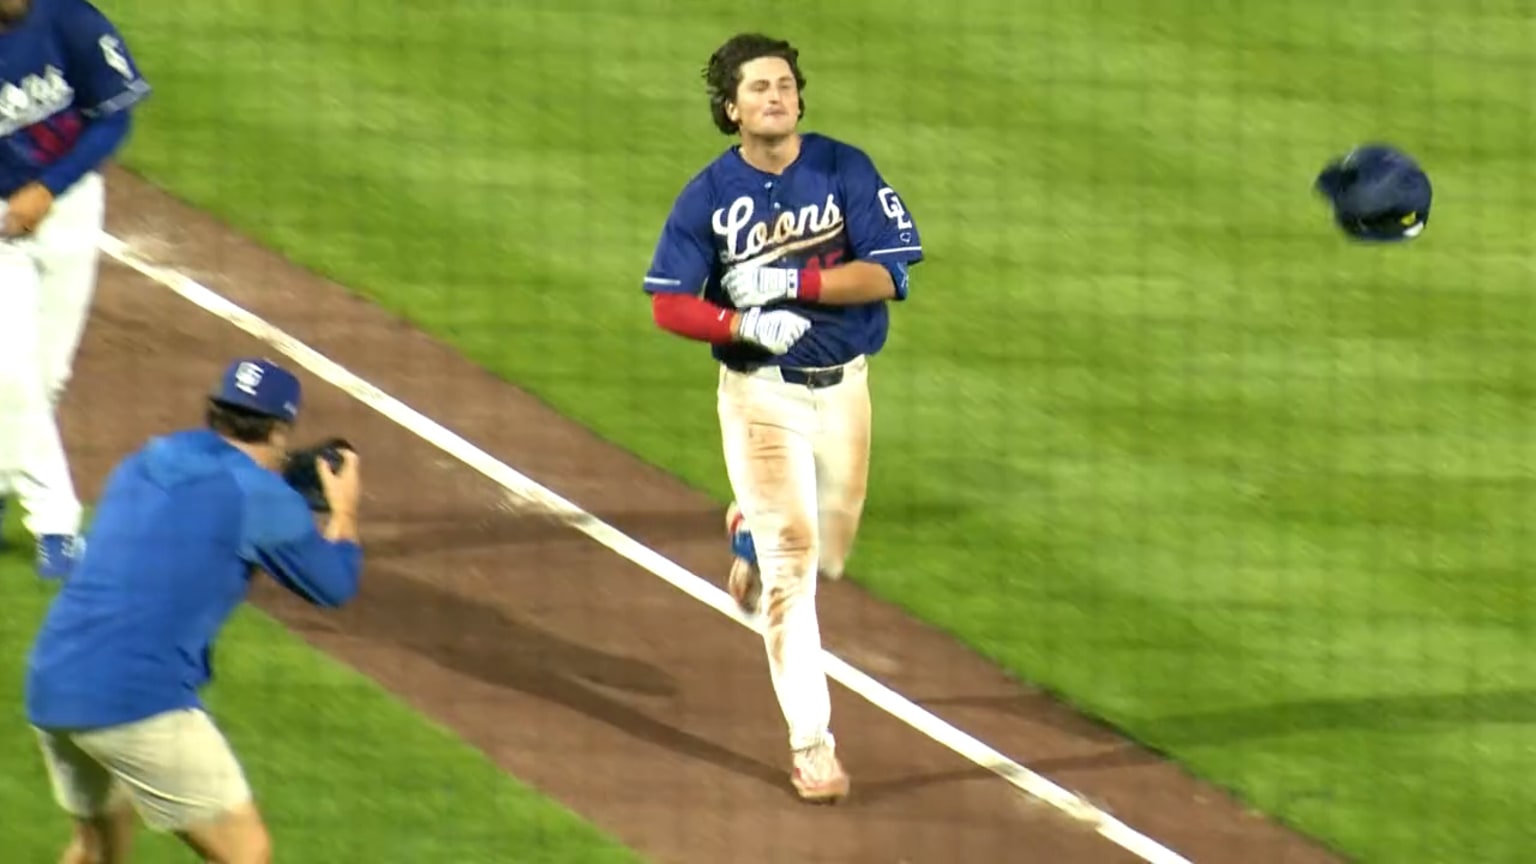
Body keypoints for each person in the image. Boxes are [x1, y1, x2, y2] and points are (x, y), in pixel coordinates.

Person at [640, 32, 925, 803]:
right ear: (730, 108)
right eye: (759, 87)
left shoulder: (844, 168)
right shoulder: (706, 197)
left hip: (846, 389)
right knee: (796, 570)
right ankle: (812, 747)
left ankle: (748, 535)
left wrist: (793, 280)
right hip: (761, 395)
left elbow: (888, 275)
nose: (777, 95)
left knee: (828, 548)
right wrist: (741, 327)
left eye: (786, 84)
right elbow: (668, 301)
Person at [23, 357, 365, 864]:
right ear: (279, 430)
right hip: (136, 698)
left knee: (97, 848)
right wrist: (344, 510)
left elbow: (209, 499)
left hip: (53, 680)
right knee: (246, 854)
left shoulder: (147, 459)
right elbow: (334, 585)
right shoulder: (262, 498)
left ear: (212, 411)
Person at [0, 0, 153, 578]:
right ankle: (58, 528)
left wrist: (49, 187)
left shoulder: (67, 18)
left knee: (48, 377)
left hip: (69, 207)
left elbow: (113, 116)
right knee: (8, 371)